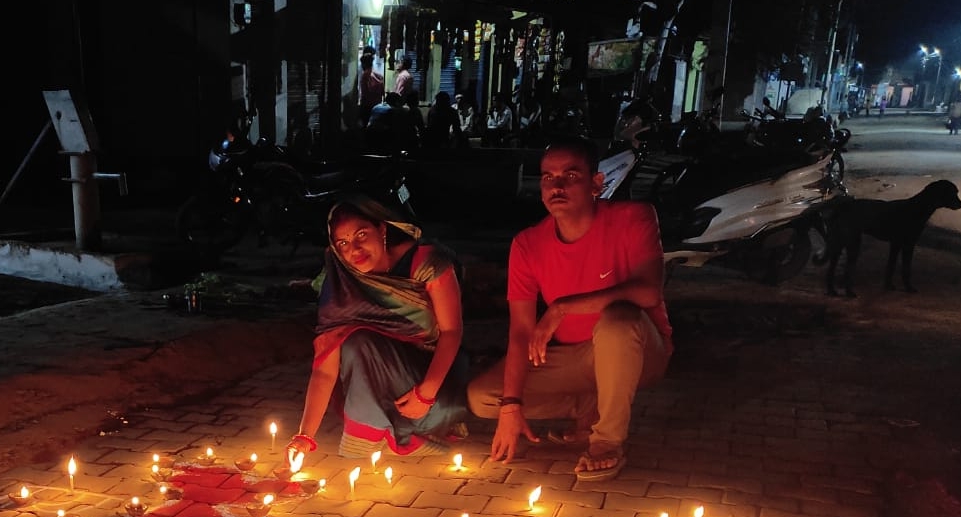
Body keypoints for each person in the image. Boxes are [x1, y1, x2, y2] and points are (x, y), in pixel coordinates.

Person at [467, 137, 673, 482]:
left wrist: (562, 308)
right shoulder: (528, 243)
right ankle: (589, 406)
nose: (557, 186)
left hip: (640, 351)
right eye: (548, 177)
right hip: (576, 359)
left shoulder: (633, 218)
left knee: (618, 321)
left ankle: (607, 441)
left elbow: (648, 292)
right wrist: (512, 406)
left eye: (571, 176)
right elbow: (520, 331)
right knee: (484, 398)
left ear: (596, 183)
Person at [286, 196, 468, 461]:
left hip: (432, 386)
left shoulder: (425, 263)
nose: (355, 249)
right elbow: (325, 371)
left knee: (360, 344)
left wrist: (426, 393)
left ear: (382, 229)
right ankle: (370, 434)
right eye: (343, 243)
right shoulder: (342, 284)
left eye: (361, 235)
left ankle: (406, 433)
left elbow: (452, 332)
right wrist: (304, 437)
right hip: (384, 389)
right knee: (352, 342)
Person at [356, 49, 384, 126]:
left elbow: (364, 94)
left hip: (367, 107)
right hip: (377, 106)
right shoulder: (379, 76)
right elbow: (382, 93)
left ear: (363, 64)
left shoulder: (365, 76)